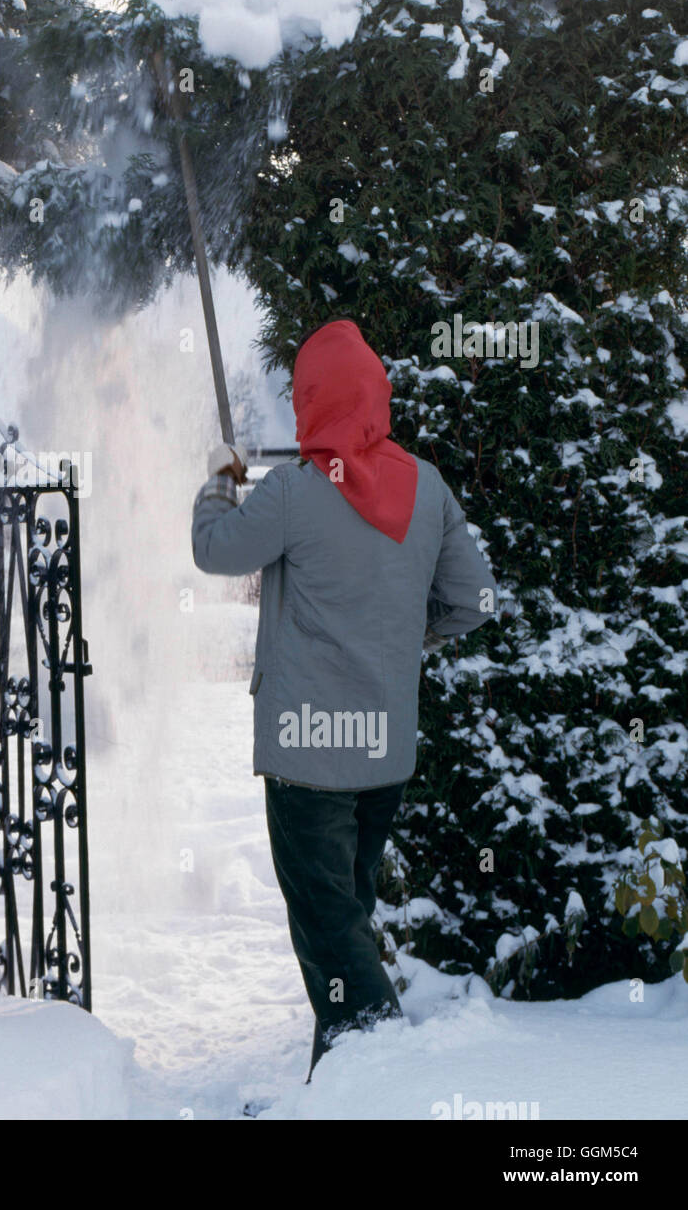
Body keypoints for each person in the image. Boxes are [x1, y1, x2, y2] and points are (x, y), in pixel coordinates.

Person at [191, 318, 497, 1083]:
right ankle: (338, 1091)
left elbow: (213, 549)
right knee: (346, 928)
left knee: (332, 941)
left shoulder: (295, 491)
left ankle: (389, 1083)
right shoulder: (427, 488)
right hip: (382, 759)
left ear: (312, 403)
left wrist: (220, 480)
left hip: (308, 759)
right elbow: (473, 601)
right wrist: (401, 645)